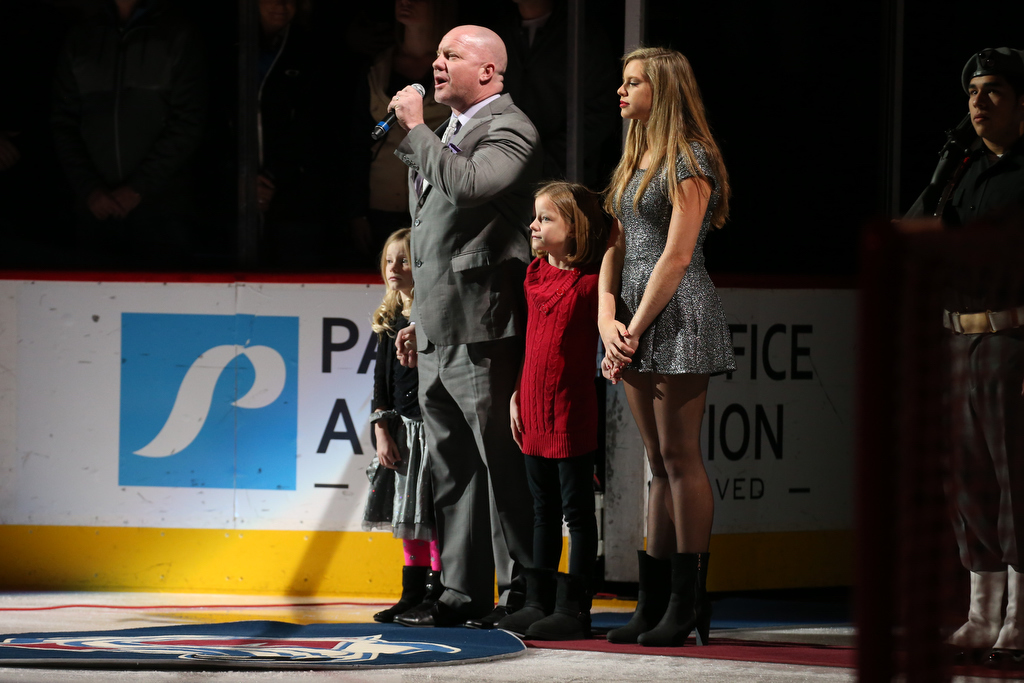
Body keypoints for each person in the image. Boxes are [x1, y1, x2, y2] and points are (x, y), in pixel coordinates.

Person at [386, 24, 542, 628]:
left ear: (490, 73)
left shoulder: (510, 127)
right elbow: (430, 236)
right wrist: (417, 317)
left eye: (453, 54)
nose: (437, 62)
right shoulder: (443, 132)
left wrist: (417, 130)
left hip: (484, 324)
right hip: (439, 324)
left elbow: (470, 185)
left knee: (501, 461)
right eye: (437, 53)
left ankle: (527, 588)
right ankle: (461, 591)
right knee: (451, 468)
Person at [598, 47, 735, 647]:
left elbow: (677, 256)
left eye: (633, 83)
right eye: (621, 82)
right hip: (633, 319)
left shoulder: (690, 159)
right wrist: (608, 316)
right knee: (654, 464)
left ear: (665, 89)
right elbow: (616, 244)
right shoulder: (633, 158)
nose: (621, 92)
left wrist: (634, 326)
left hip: (678, 315)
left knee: (680, 458)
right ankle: (652, 603)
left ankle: (688, 602)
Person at [908, 47, 1024, 664]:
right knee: (969, 481)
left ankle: (1019, 618)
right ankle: (982, 614)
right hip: (959, 339)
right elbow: (914, 231)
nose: (978, 103)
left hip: (1014, 342)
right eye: (973, 92)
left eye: (994, 91)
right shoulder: (962, 168)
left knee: (1016, 479)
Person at [496, 181, 608, 640]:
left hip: (570, 411)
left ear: (575, 228)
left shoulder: (591, 283)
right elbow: (534, 346)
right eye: (536, 217)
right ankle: (538, 599)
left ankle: (574, 607)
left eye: (545, 218)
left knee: (576, 513)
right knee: (542, 509)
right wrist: (517, 394)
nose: (533, 226)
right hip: (533, 409)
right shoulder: (534, 275)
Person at [51, 0, 206, 268]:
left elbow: (190, 121)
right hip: (95, 211)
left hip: (162, 211)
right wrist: (89, 189)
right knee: (93, 307)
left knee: (162, 304)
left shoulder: (178, 33)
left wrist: (138, 188)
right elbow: (62, 121)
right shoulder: (80, 36)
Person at [363, 228, 443, 623]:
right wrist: (381, 430)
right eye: (390, 260)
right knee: (406, 514)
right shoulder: (390, 319)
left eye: (404, 260)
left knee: (430, 513)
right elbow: (380, 383)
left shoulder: (430, 315)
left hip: (429, 429)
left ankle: (436, 591)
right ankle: (410, 593)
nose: (394, 267)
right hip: (399, 430)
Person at [362, 0, 454, 258]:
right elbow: (354, 143)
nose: (405, 2)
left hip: (436, 197)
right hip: (382, 197)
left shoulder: (454, 72)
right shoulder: (378, 66)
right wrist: (354, 211)